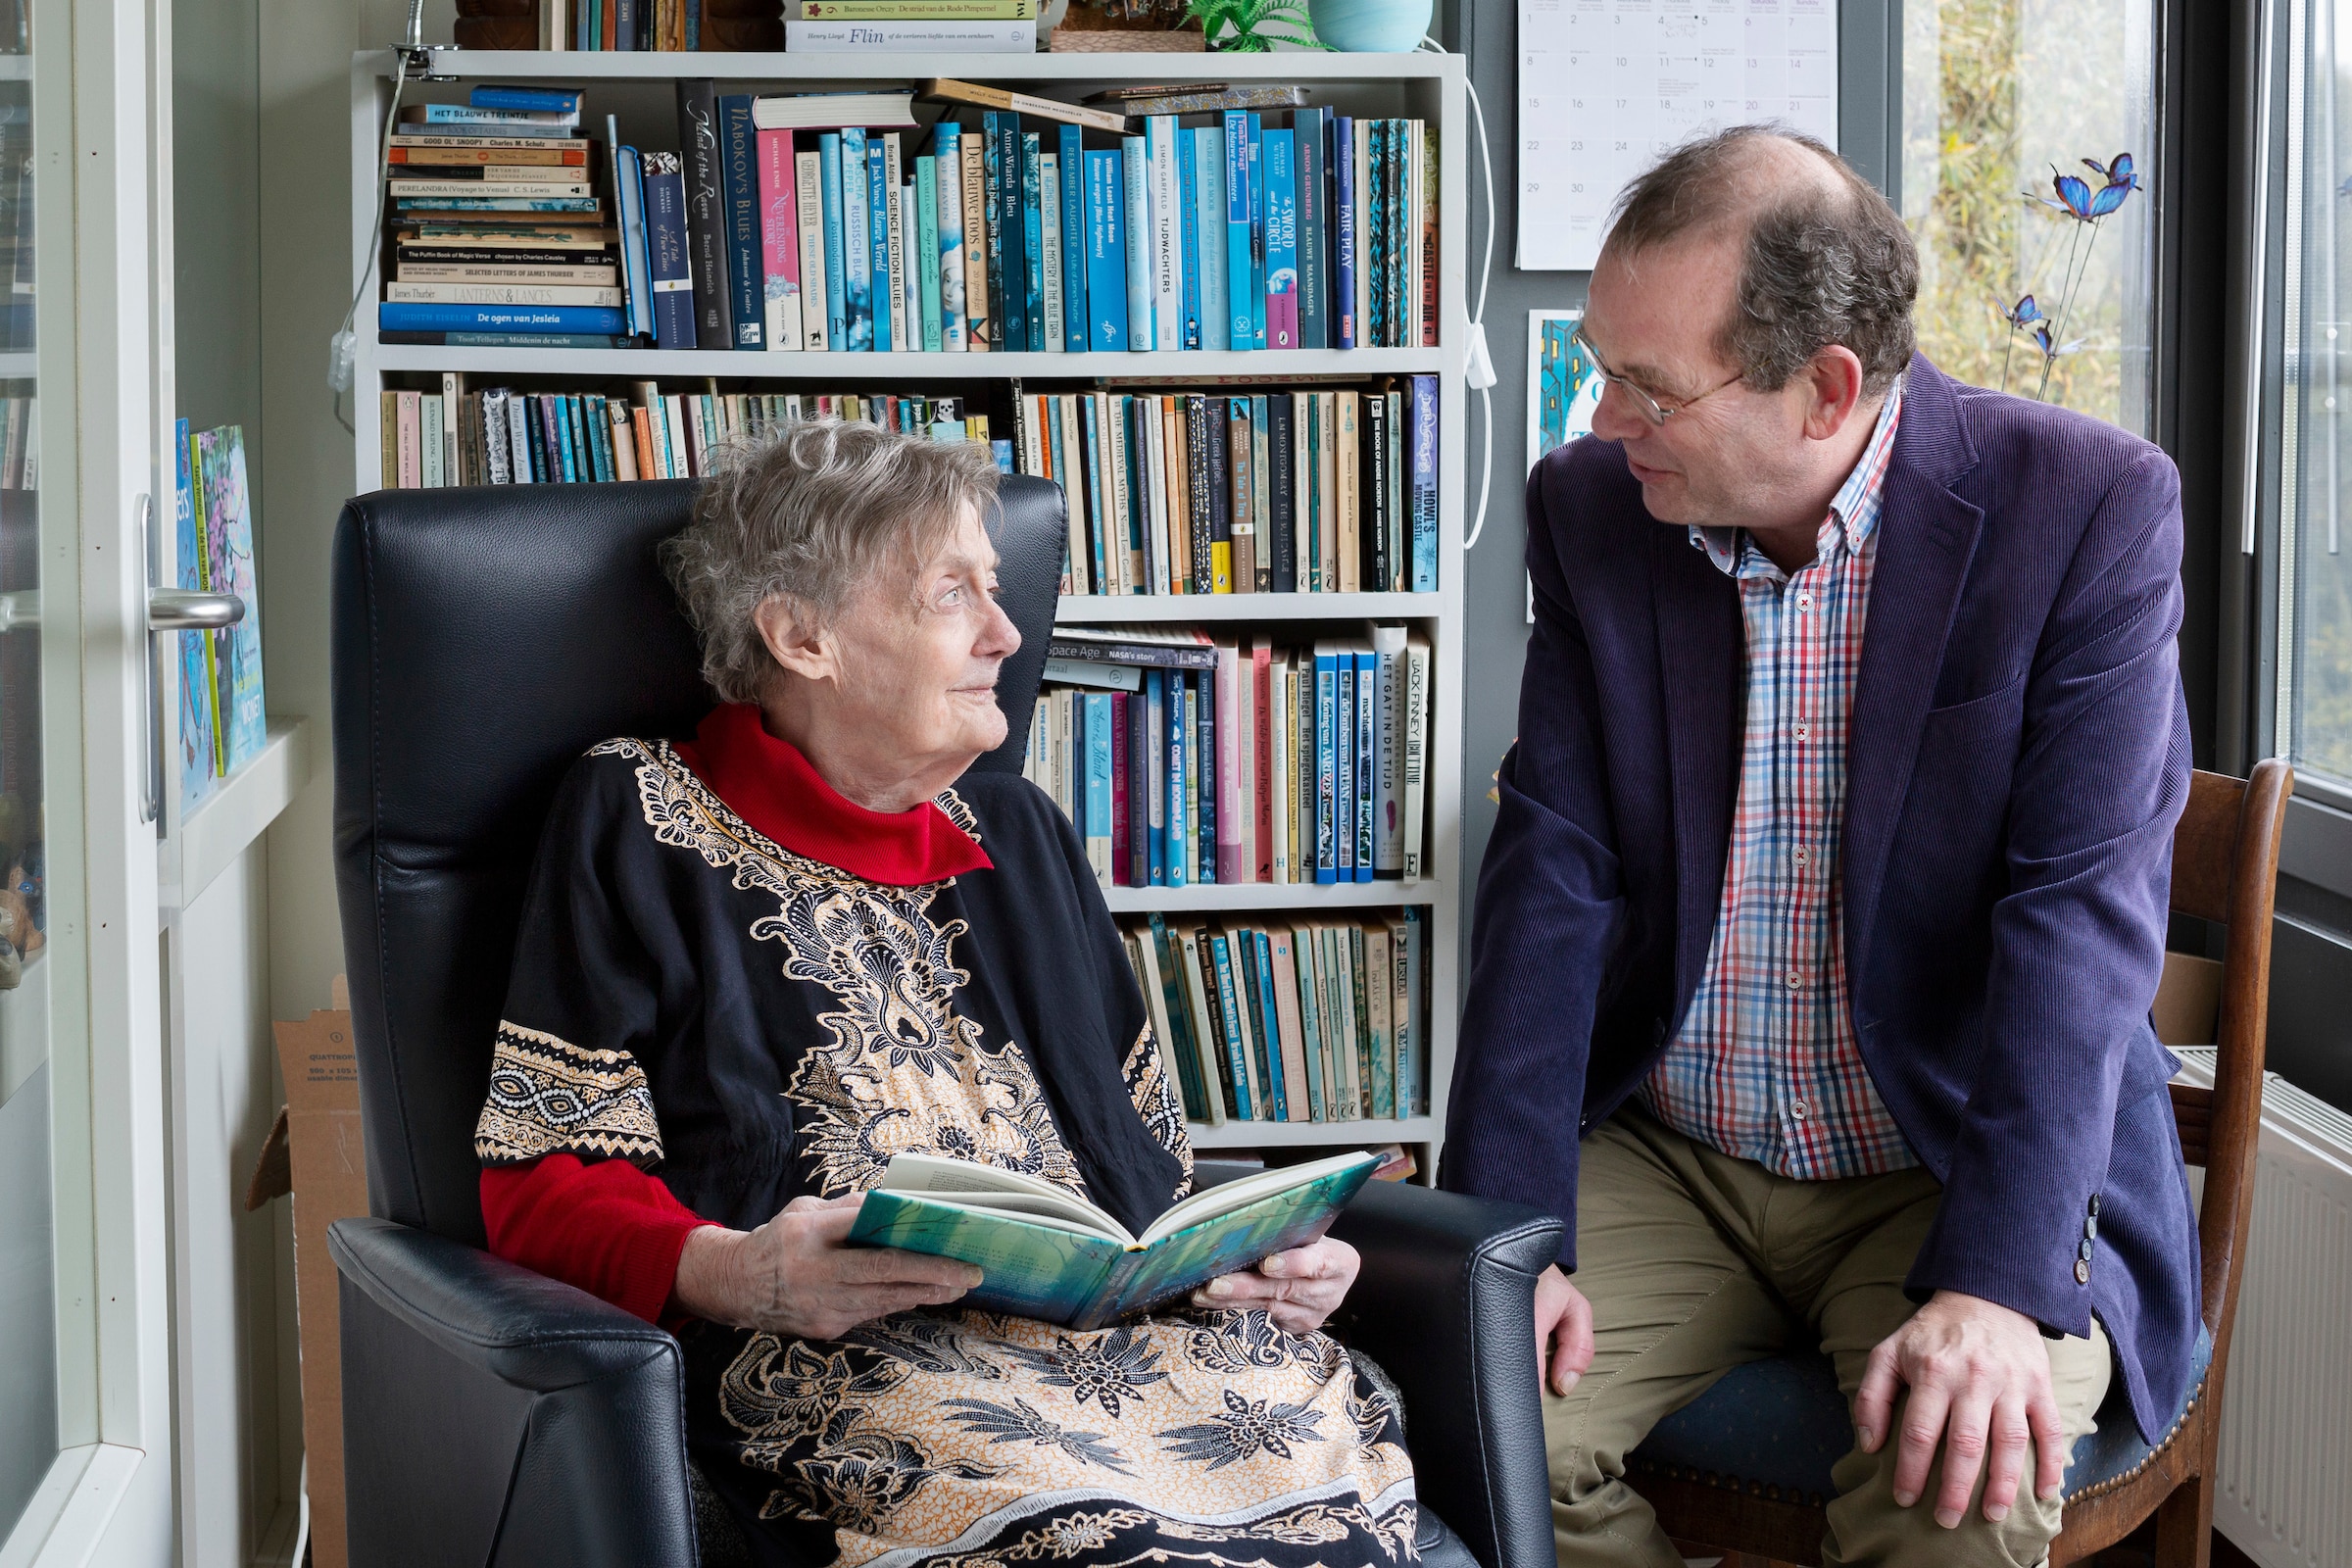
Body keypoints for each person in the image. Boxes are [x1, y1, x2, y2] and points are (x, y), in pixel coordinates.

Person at [1444, 126, 2199, 1568]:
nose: (1604, 422)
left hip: (1952, 1152)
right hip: (1672, 1150)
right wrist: (1513, 1237)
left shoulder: (2087, 508)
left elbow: (2079, 919)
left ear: (1826, 392)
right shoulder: (1592, 510)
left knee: (1963, 1473)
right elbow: (1553, 879)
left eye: (1647, 386)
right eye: (1602, 368)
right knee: (1465, 1415)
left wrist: (1994, 1286)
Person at [472, 419, 1415, 1568]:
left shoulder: (1023, 835)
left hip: (1144, 1357)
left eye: (998, 587)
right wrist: (734, 1269)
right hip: (862, 1377)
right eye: (950, 593)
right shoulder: (635, 815)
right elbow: (539, 1178)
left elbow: (1145, 1174)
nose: (1008, 634)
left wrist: (1263, 1264)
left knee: (1327, 1498)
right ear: (802, 635)